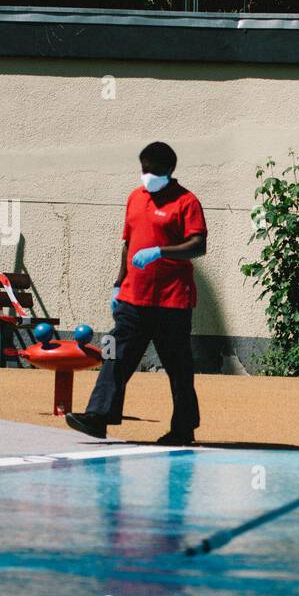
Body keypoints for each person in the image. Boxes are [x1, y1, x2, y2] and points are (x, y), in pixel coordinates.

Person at [66, 142, 206, 446]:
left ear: (170, 171)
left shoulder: (187, 202)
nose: (148, 176)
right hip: (133, 298)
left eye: (154, 171)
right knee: (113, 353)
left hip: (172, 301)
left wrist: (160, 252)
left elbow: (198, 245)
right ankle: (97, 417)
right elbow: (127, 244)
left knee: (178, 367)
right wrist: (119, 283)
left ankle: (183, 429)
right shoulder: (135, 198)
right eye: (144, 169)